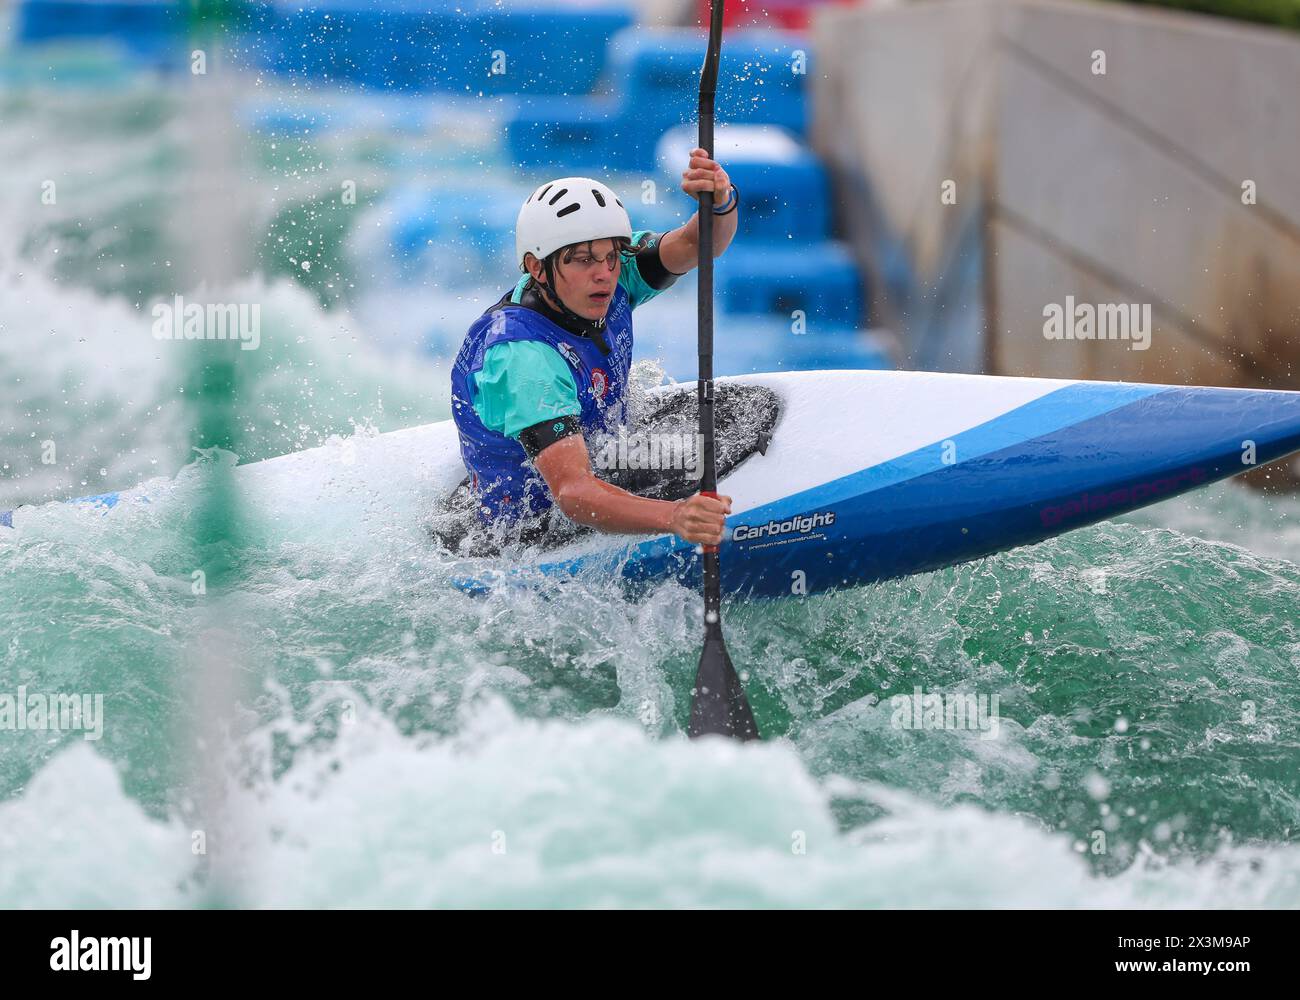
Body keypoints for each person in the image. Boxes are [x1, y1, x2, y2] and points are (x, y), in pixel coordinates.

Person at [450, 149, 741, 546]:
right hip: (531, 531)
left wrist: (720, 199)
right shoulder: (525, 359)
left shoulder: (616, 274)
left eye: (609, 258)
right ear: (537, 268)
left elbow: (698, 244)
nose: (603, 275)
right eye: (584, 261)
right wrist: (675, 516)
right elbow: (572, 494)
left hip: (592, 457)